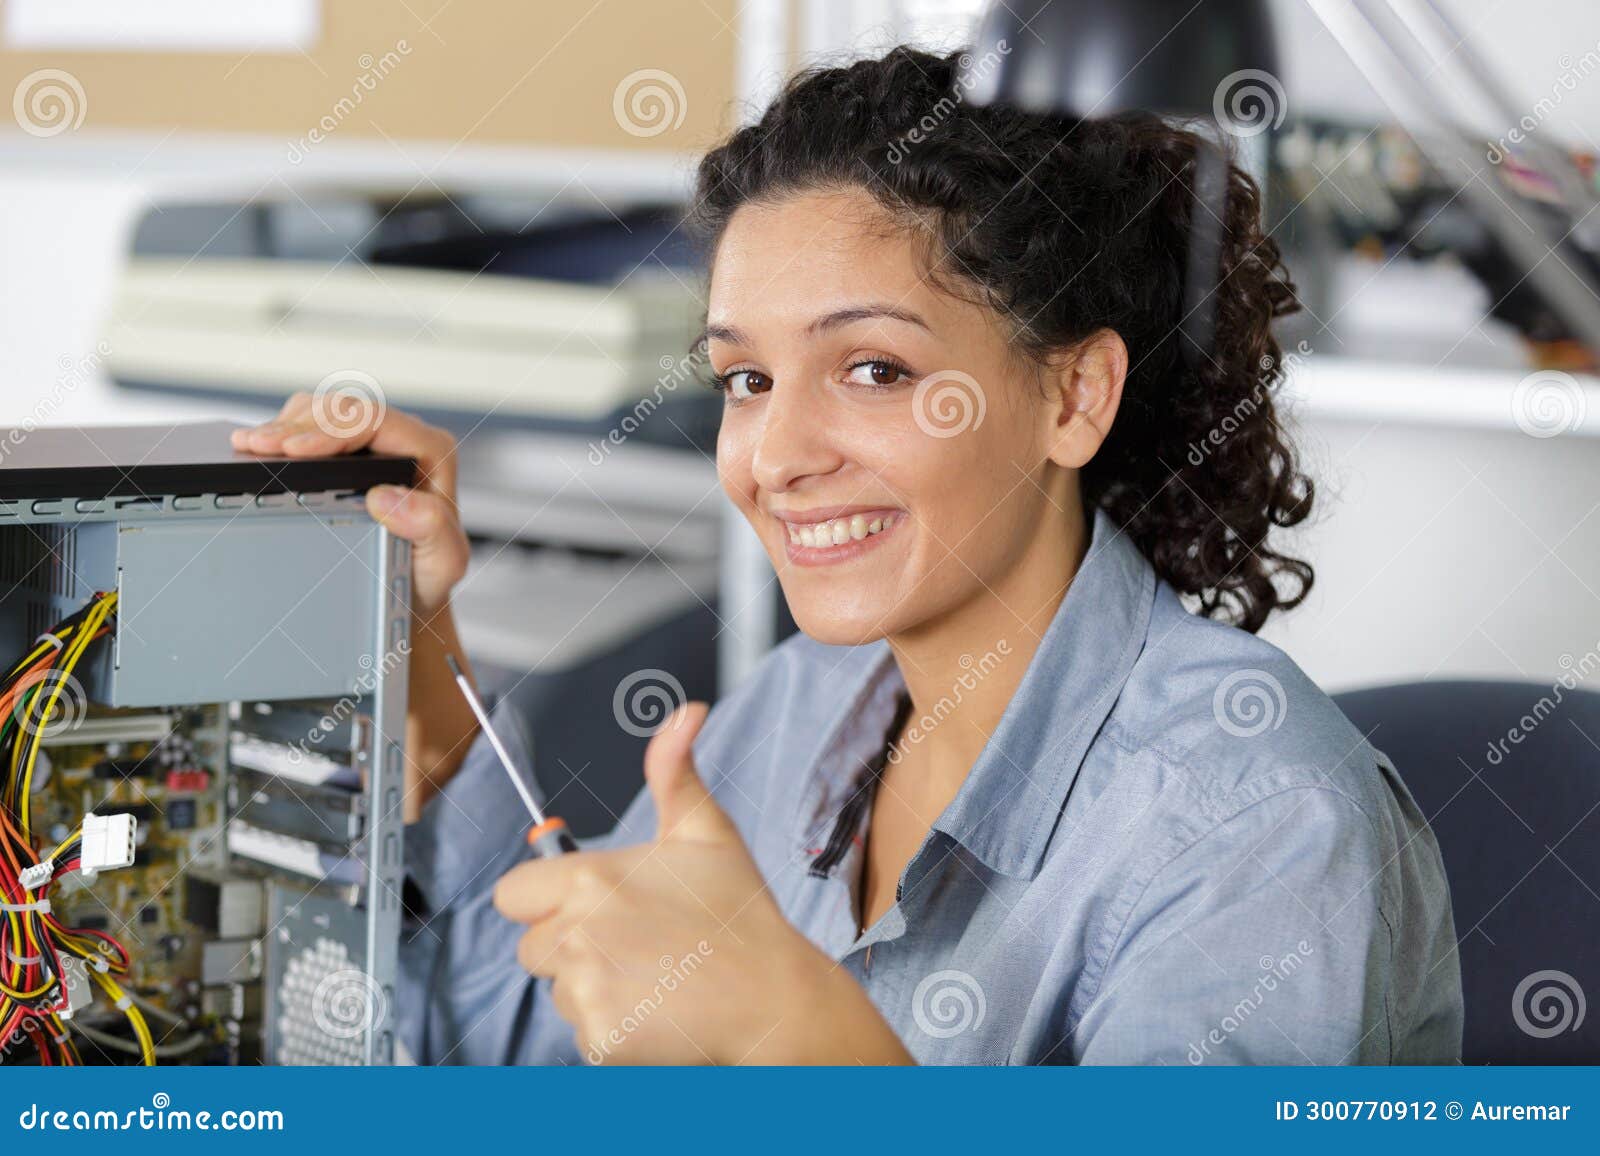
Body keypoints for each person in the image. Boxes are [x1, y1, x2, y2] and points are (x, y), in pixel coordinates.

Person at [236, 46, 1462, 1065]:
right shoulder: (805, 710)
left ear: (1073, 397)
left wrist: (796, 1034)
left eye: (874, 369)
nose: (775, 454)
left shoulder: (1257, 823)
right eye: (746, 379)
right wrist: (408, 635)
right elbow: (469, 1040)